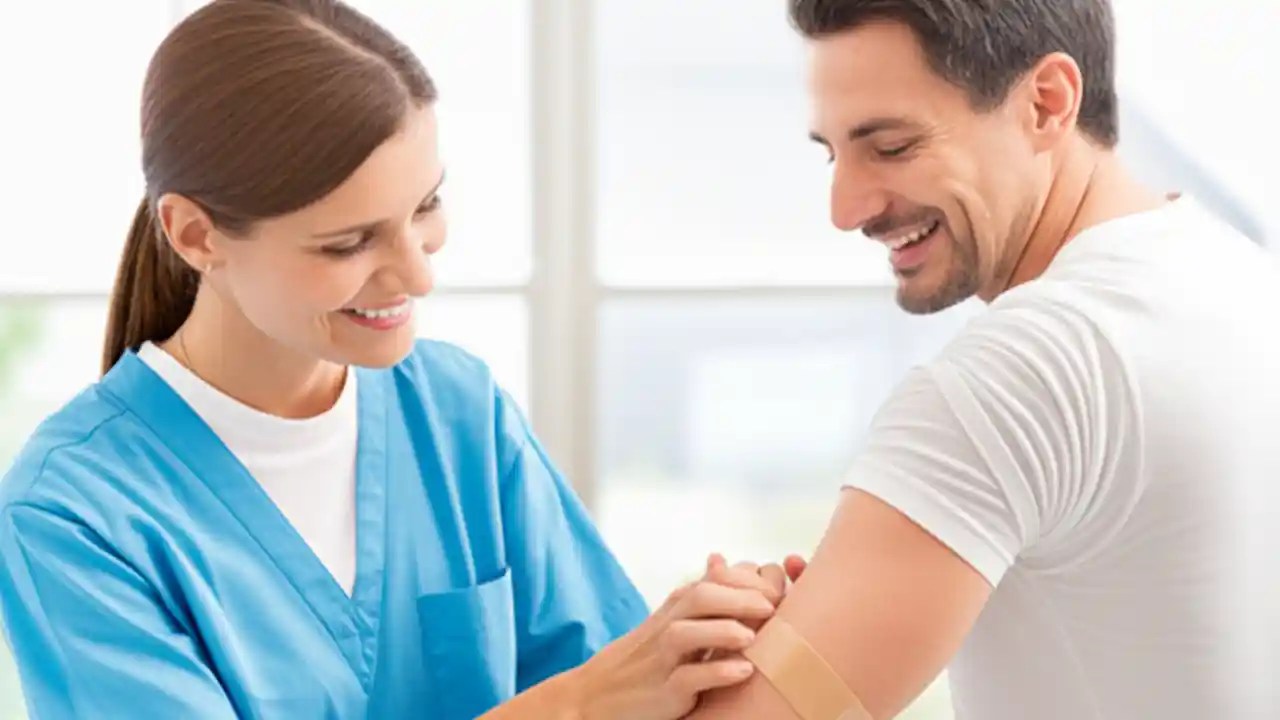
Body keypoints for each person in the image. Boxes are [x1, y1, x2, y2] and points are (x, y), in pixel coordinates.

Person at [0, 2, 795, 719]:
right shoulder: (74, 513)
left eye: (426, 208)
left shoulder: (457, 411)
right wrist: (580, 705)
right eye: (348, 242)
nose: (418, 274)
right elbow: (597, 692)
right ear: (197, 236)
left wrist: (715, 641)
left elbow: (633, 685)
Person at [685, 1, 1280, 719]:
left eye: (893, 146)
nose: (845, 208)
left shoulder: (1022, 372)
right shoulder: (1241, 279)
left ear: (1045, 103)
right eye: (833, 152)